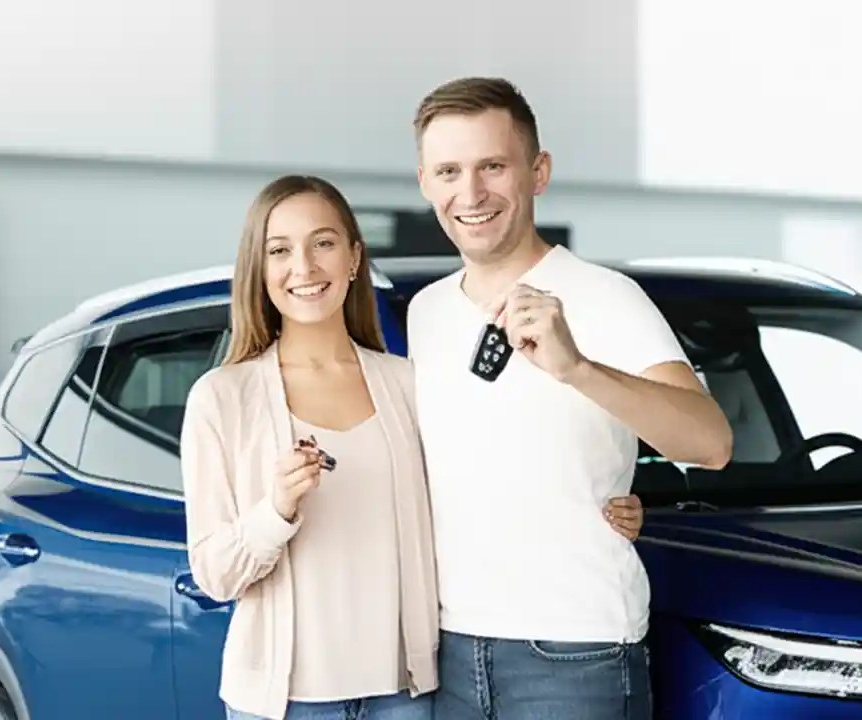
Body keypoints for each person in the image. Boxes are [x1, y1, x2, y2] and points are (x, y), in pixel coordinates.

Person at [179, 174, 646, 720]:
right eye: (279, 250)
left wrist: (594, 505)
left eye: (323, 243)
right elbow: (214, 575)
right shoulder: (221, 397)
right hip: (284, 705)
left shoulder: (406, 382)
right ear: (258, 270)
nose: (303, 267)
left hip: (404, 699)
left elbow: (484, 476)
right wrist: (275, 511)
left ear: (354, 258)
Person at [405, 78, 735, 719]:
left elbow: (711, 444)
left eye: (493, 167)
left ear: (538, 171)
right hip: (446, 648)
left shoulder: (606, 296)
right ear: (425, 182)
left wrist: (577, 366)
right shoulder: (426, 312)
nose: (470, 193)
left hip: (572, 651)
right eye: (449, 170)